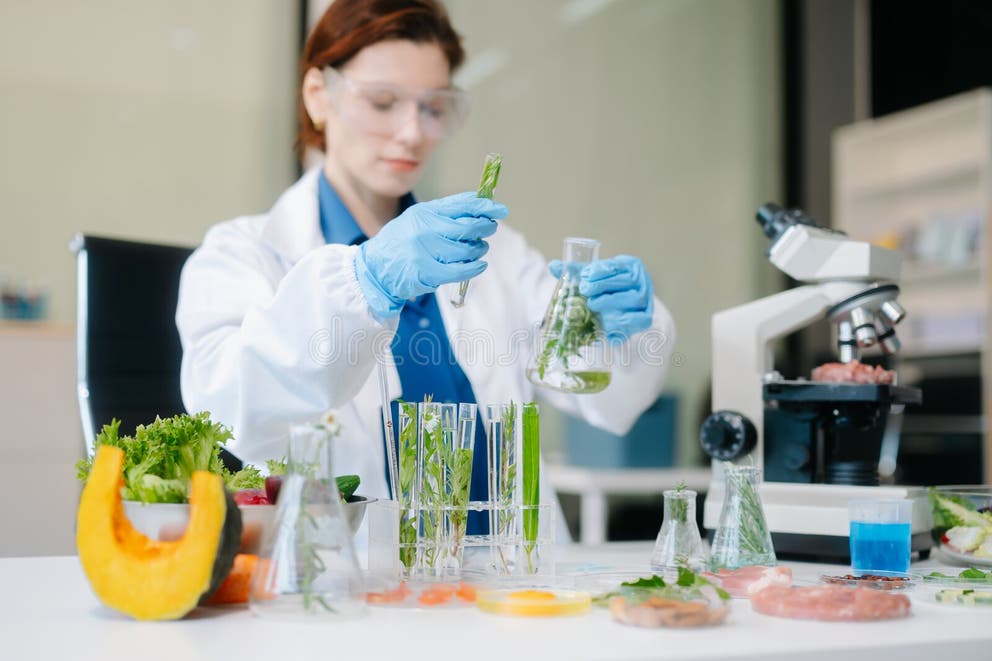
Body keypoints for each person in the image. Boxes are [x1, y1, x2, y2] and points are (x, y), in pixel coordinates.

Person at [176, 0, 675, 539]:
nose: (413, 133)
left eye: (434, 107)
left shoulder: (497, 253)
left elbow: (602, 397)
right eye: (384, 102)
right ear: (319, 96)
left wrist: (613, 327)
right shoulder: (242, 252)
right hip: (355, 586)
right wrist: (364, 282)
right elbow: (230, 406)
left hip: (507, 583)